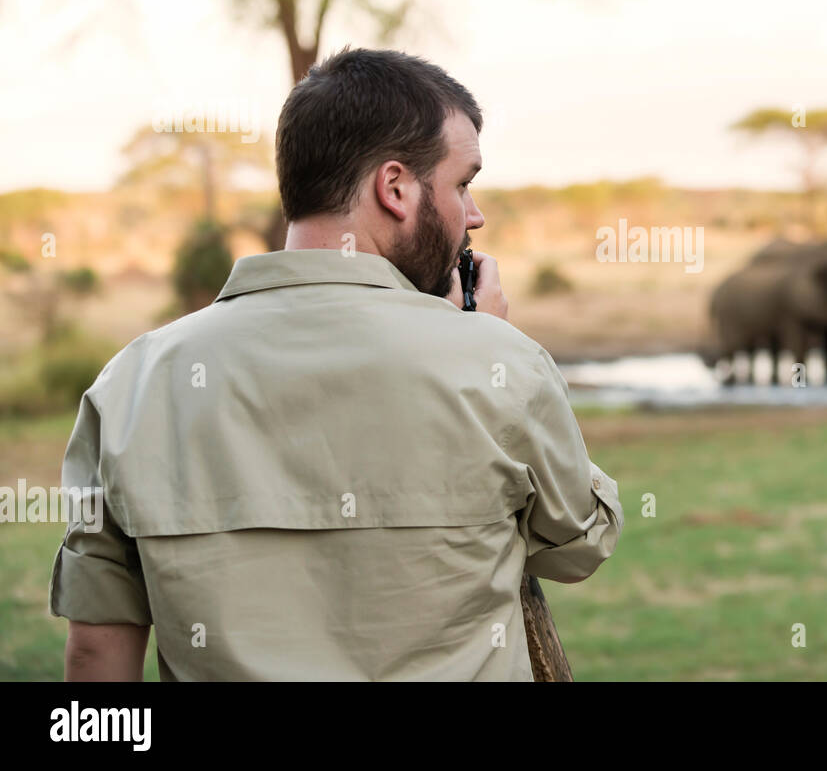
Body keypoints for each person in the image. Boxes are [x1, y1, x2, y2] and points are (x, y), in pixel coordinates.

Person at [48, 47, 623, 680]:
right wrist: (487, 350)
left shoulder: (132, 383)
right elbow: (578, 544)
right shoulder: (500, 362)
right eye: (462, 183)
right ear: (396, 187)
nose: (474, 214)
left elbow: (97, 653)